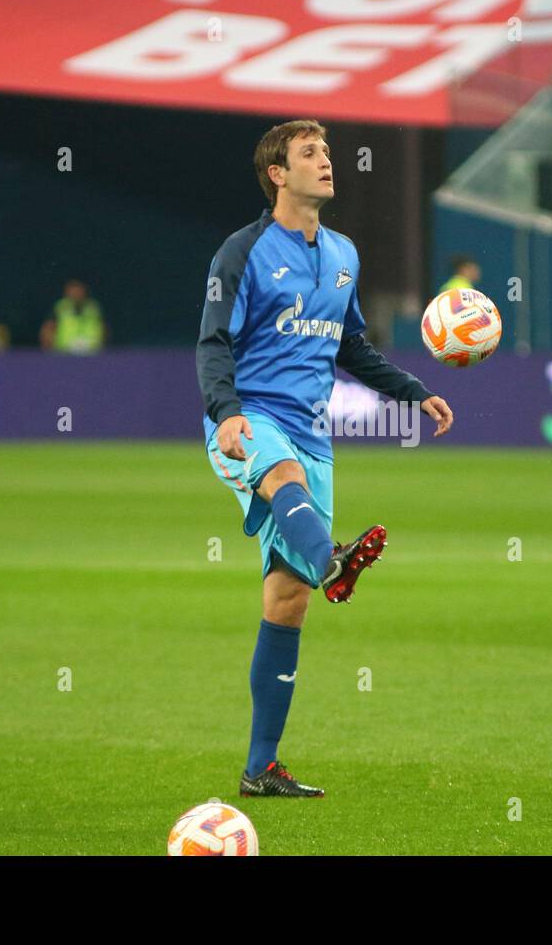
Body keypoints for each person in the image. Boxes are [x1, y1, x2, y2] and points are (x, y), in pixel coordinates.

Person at [196, 120, 454, 798]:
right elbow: (213, 342)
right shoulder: (242, 251)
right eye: (310, 153)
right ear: (278, 174)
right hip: (251, 419)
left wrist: (414, 391)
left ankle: (261, 769)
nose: (326, 161)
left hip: (314, 435)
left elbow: (352, 349)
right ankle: (333, 558)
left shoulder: (342, 253)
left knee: (286, 602)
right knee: (280, 479)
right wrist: (226, 415)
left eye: (328, 152)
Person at [40, 280, 106, 353]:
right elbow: (48, 328)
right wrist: (48, 349)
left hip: (91, 352)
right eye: (73, 292)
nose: (76, 294)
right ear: (67, 293)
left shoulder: (93, 307)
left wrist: (101, 347)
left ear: (84, 292)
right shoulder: (60, 307)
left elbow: (102, 328)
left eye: (78, 291)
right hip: (64, 351)